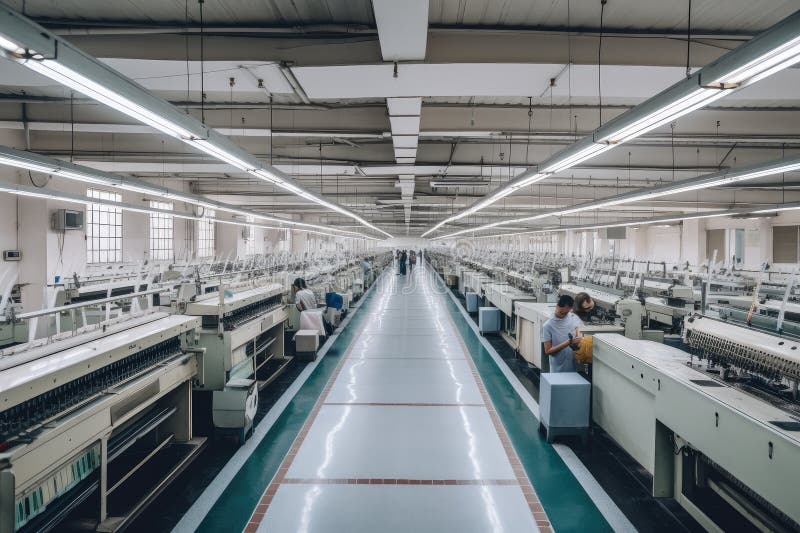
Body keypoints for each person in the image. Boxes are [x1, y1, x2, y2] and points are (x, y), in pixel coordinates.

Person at [542, 295, 582, 373]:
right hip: (557, 368)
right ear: (557, 306)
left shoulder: (574, 318)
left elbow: (577, 338)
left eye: (566, 313)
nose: (563, 314)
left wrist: (577, 343)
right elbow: (548, 351)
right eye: (561, 312)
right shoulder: (548, 325)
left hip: (574, 366)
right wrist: (568, 342)